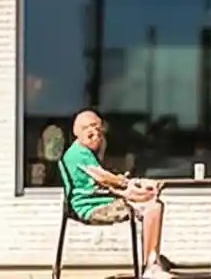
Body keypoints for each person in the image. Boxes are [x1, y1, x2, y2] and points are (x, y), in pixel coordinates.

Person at [60, 110, 171, 279]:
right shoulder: (78, 153)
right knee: (152, 208)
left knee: (152, 204)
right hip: (91, 207)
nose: (95, 134)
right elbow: (102, 177)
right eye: (88, 129)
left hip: (99, 200)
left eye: (98, 129)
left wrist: (133, 188)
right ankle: (151, 265)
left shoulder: (86, 153)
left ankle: (151, 260)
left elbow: (106, 183)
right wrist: (128, 185)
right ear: (77, 132)